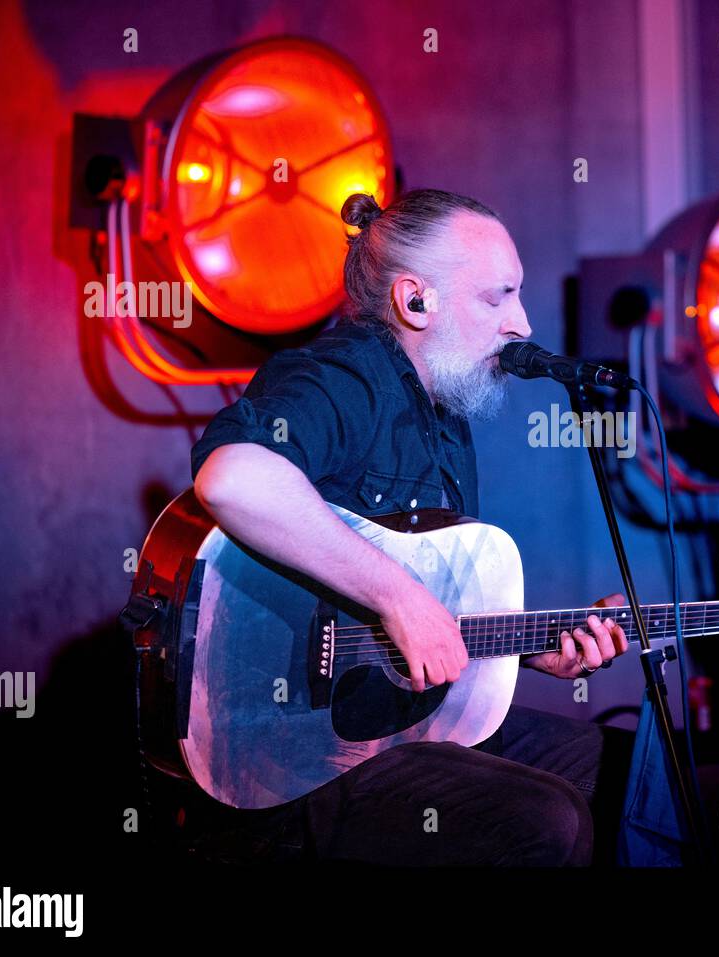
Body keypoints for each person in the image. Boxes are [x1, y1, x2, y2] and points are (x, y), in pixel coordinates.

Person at [186, 188, 634, 866]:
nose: (521, 322)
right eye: (496, 297)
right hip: (293, 747)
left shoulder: (444, 416)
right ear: (414, 300)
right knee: (551, 820)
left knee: (619, 770)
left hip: (393, 719)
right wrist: (398, 596)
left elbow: (420, 629)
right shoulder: (345, 376)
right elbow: (231, 476)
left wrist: (529, 647)